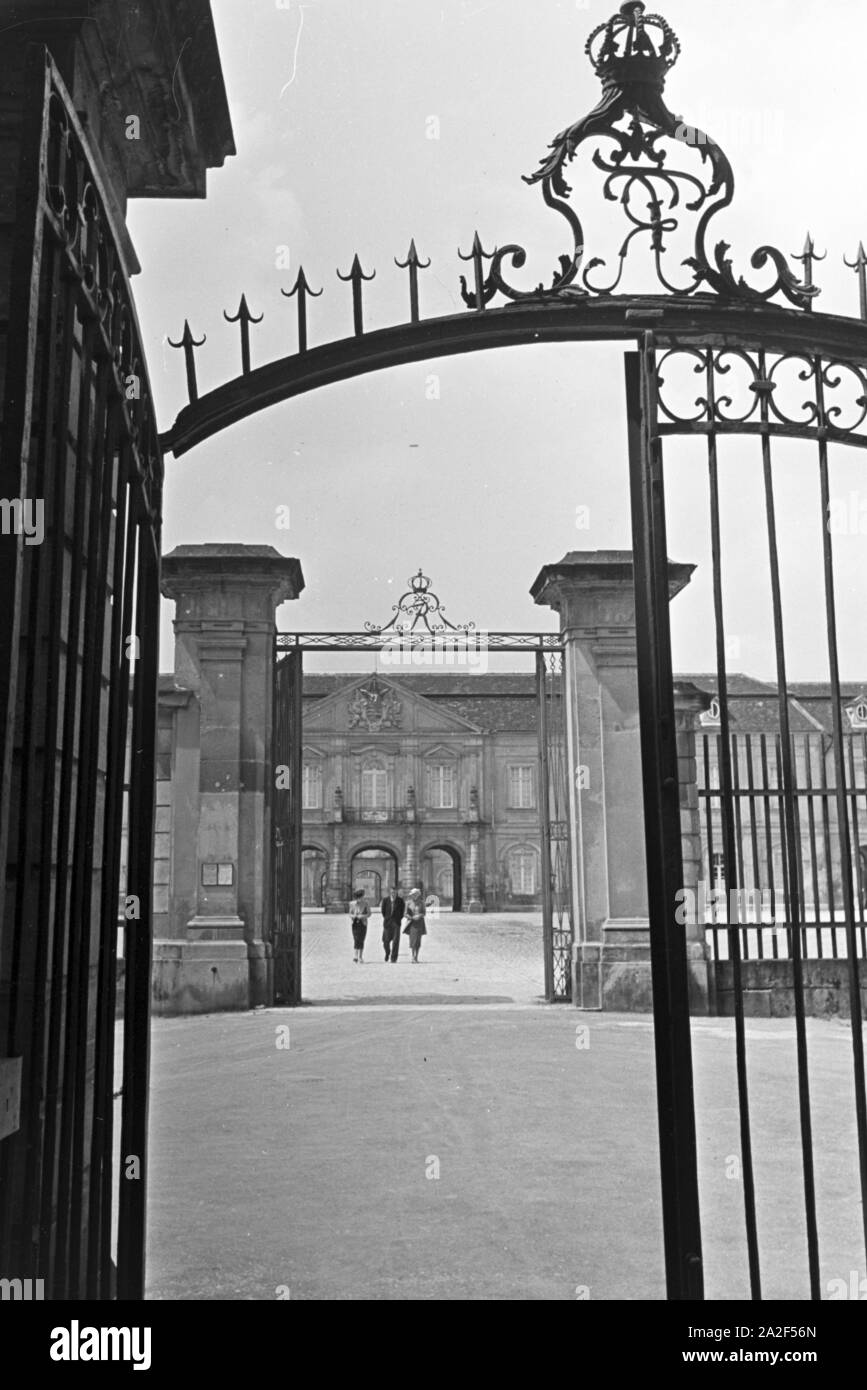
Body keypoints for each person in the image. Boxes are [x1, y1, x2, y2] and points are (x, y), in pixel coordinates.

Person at [380, 882, 405, 962]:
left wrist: (397, 919)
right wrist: (387, 918)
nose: (393, 894)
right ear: (389, 892)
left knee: (395, 942)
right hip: (387, 923)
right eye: (392, 892)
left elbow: (402, 912)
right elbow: (383, 911)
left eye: (394, 892)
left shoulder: (400, 901)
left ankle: (393, 958)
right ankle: (387, 952)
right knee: (385, 941)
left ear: (396, 892)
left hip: (396, 923)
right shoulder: (385, 900)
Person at [402, 888, 427, 963]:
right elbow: (405, 914)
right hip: (412, 923)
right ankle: (413, 956)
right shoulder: (408, 903)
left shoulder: (422, 903)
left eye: (415, 894)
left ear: (418, 895)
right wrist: (411, 917)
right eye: (413, 895)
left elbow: (424, 913)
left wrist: (419, 916)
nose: (414, 896)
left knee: (418, 941)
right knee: (413, 940)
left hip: (419, 923)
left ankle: (416, 956)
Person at [350, 888, 370, 963]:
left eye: (362, 897)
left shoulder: (366, 904)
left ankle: (360, 956)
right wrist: (353, 916)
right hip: (355, 923)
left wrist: (363, 916)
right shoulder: (352, 904)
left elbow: (369, 913)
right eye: (359, 898)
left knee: (361, 939)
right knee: (356, 938)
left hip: (363, 923)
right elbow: (350, 913)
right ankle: (355, 955)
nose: (361, 899)